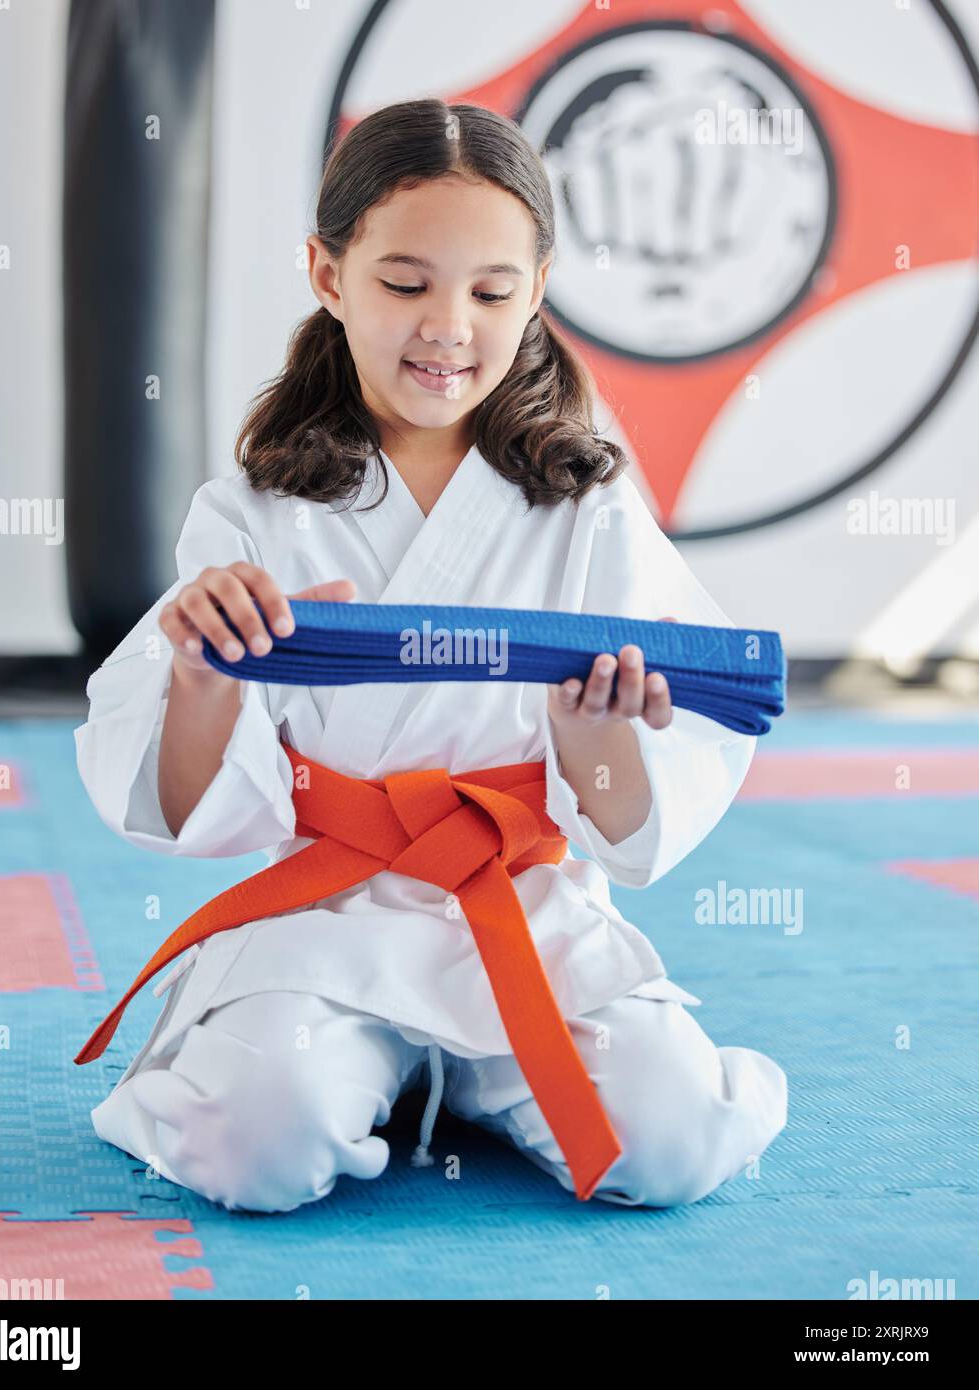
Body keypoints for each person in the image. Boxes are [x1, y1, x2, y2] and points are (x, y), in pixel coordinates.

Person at [75, 98, 787, 1215]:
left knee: (675, 1141)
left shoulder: (588, 509)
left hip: (523, 901)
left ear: (536, 293)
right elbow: (191, 806)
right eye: (405, 283)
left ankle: (468, 1081)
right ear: (327, 272)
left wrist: (594, 738)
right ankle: (397, 1078)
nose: (448, 325)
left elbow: (625, 821)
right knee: (257, 1138)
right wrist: (204, 679)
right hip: (334, 915)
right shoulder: (253, 511)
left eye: (491, 292)